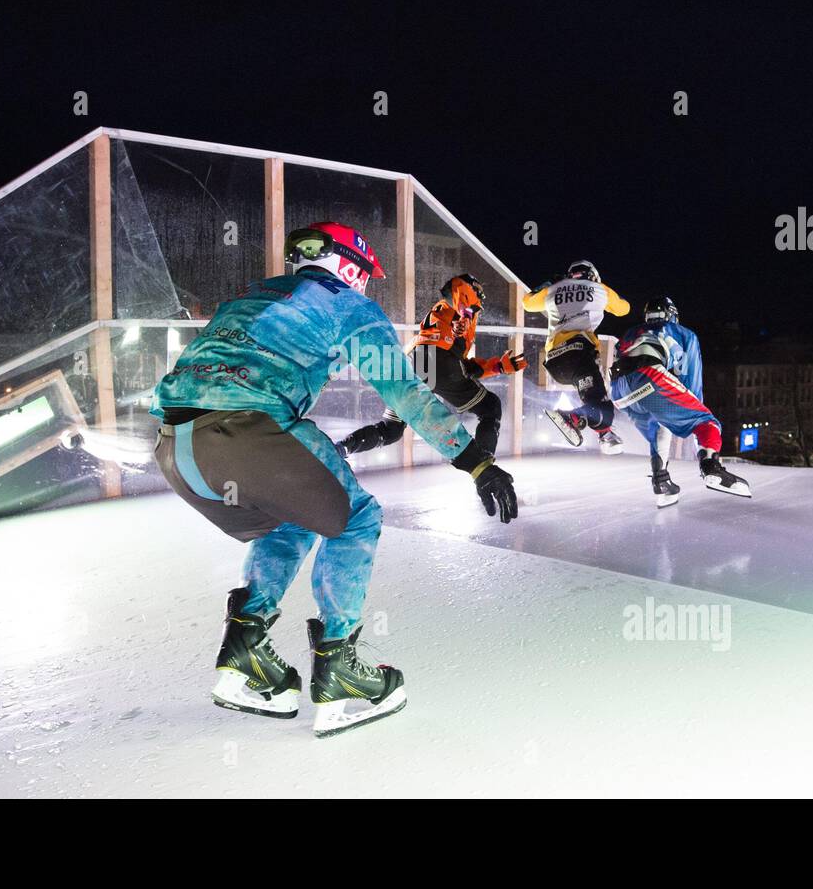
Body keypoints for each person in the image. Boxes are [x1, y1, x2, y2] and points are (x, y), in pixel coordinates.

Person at [151, 222, 518, 737]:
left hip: (176, 447)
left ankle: (244, 650)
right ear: (350, 265)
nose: (368, 285)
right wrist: (476, 461)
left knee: (294, 515)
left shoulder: (253, 295)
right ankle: (340, 668)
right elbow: (405, 393)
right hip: (251, 431)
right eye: (367, 274)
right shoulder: (348, 305)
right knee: (357, 517)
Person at [335, 273, 526, 459]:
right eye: (480, 294)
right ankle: (485, 465)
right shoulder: (460, 307)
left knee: (391, 429)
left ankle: (342, 448)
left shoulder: (447, 316)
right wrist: (465, 317)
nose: (482, 300)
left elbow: (464, 365)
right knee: (490, 407)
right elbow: (461, 292)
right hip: (436, 360)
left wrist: (497, 367)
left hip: (410, 362)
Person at [610, 296, 752, 506]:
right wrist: (696, 414)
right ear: (672, 314)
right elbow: (690, 378)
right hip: (649, 376)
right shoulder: (682, 333)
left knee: (658, 427)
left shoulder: (632, 331)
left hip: (619, 391)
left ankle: (662, 482)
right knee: (706, 421)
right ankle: (711, 467)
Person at [523, 260, 630, 453]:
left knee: (593, 399)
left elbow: (527, 303)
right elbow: (624, 309)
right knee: (599, 400)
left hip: (555, 363)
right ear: (593, 276)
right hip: (579, 354)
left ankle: (600, 431)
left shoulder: (554, 289)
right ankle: (580, 421)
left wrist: (548, 284)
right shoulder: (598, 289)